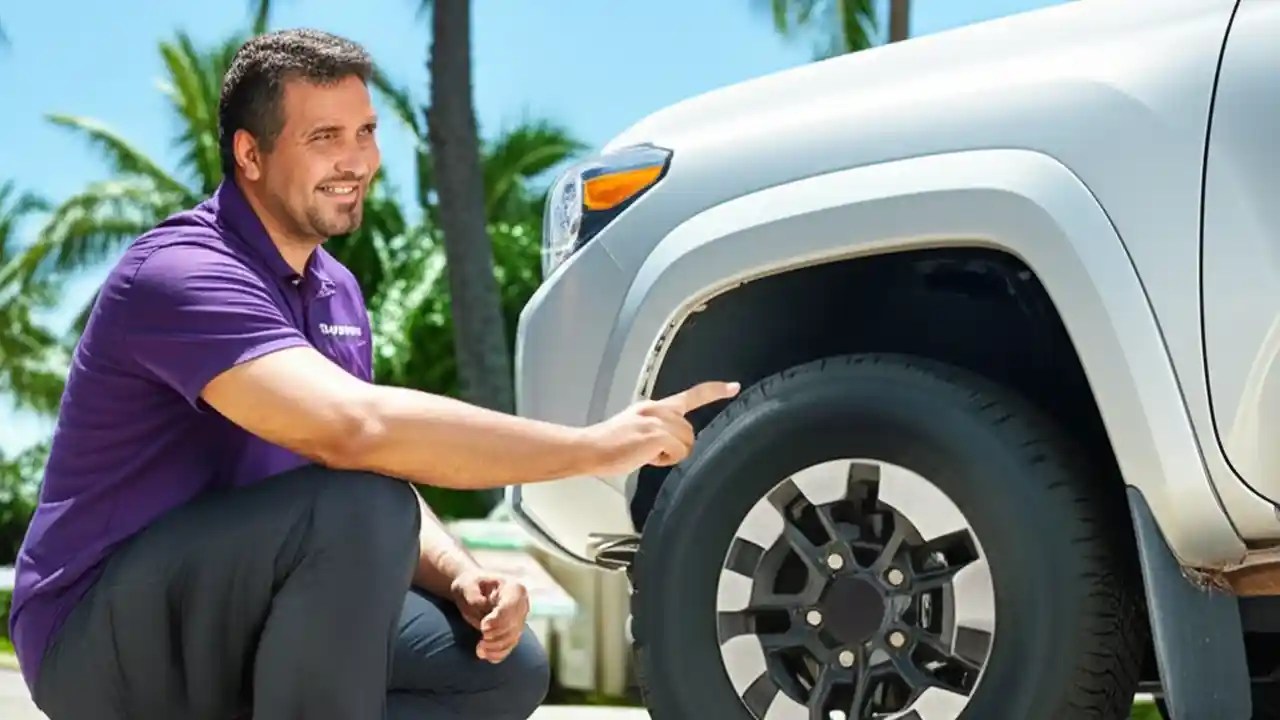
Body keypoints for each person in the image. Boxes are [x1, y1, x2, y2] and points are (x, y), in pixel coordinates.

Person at [9, 28, 738, 720]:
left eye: (365, 132)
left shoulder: (337, 293)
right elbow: (355, 432)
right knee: (360, 506)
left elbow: (381, 466)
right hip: (97, 634)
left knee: (498, 671)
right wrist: (592, 448)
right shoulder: (181, 273)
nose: (356, 160)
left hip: (237, 620)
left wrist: (458, 574)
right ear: (250, 154)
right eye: (324, 137)